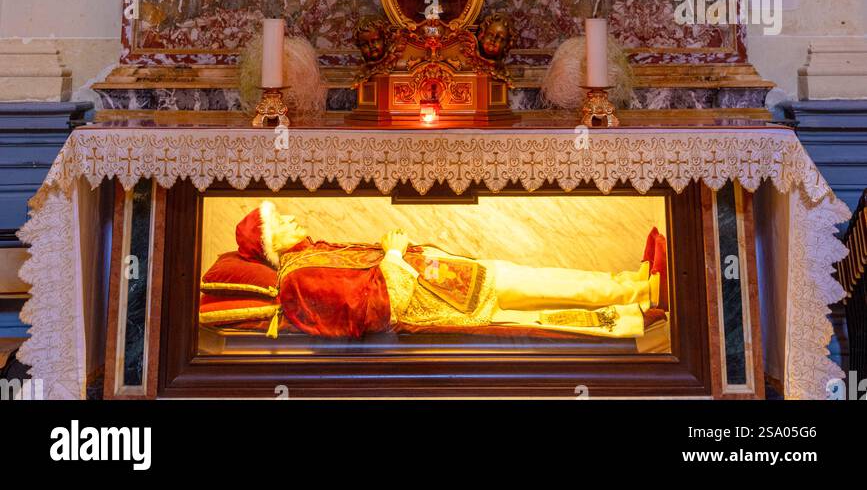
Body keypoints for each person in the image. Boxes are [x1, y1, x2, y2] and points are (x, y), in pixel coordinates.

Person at [202, 201, 665, 339]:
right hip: (432, 298)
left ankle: (628, 288)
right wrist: (395, 255)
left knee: (537, 278)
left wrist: (395, 252)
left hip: (441, 276)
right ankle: (629, 303)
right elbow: (363, 312)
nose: (290, 220)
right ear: (266, 243)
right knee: (537, 293)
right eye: (279, 222)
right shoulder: (297, 280)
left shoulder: (311, 251)